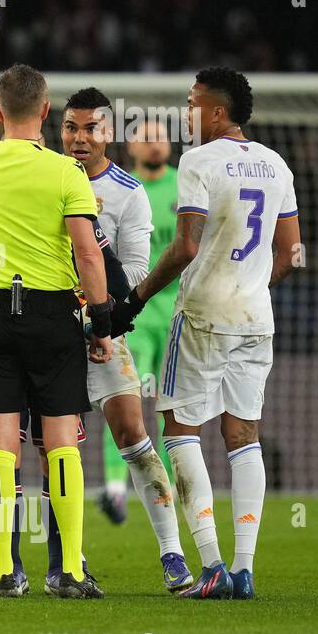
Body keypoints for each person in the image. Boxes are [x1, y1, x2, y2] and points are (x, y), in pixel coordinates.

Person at [112, 67, 302, 600]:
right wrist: (251, 286)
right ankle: (244, 569)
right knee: (244, 435)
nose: (186, 110)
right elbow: (292, 252)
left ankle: (212, 565)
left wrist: (137, 297)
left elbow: (186, 246)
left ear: (217, 112)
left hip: (200, 316)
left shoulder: (198, 161)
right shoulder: (276, 164)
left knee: (178, 428)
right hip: (256, 316)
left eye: (192, 102)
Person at [0, 36, 113, 599]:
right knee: (62, 440)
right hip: (51, 314)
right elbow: (88, 253)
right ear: (47, 112)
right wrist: (101, 321)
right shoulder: (67, 173)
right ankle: (67, 571)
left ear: (0, 112)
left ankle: (2, 571)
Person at [59, 88, 193, 593]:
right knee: (57, 447)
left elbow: (135, 271)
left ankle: (172, 554)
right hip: (52, 333)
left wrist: (91, 234)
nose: (79, 138)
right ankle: (68, 558)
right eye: (71, 127)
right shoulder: (47, 179)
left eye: (91, 128)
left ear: (108, 133)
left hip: (105, 332)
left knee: (136, 439)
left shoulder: (128, 192)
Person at [117, 121, 180, 474]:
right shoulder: (124, 188)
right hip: (135, 311)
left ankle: (170, 484)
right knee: (128, 399)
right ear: (131, 146)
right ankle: (115, 485)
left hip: (177, 311)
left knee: (171, 404)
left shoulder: (185, 186)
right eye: (147, 137)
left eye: (161, 138)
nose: (156, 144)